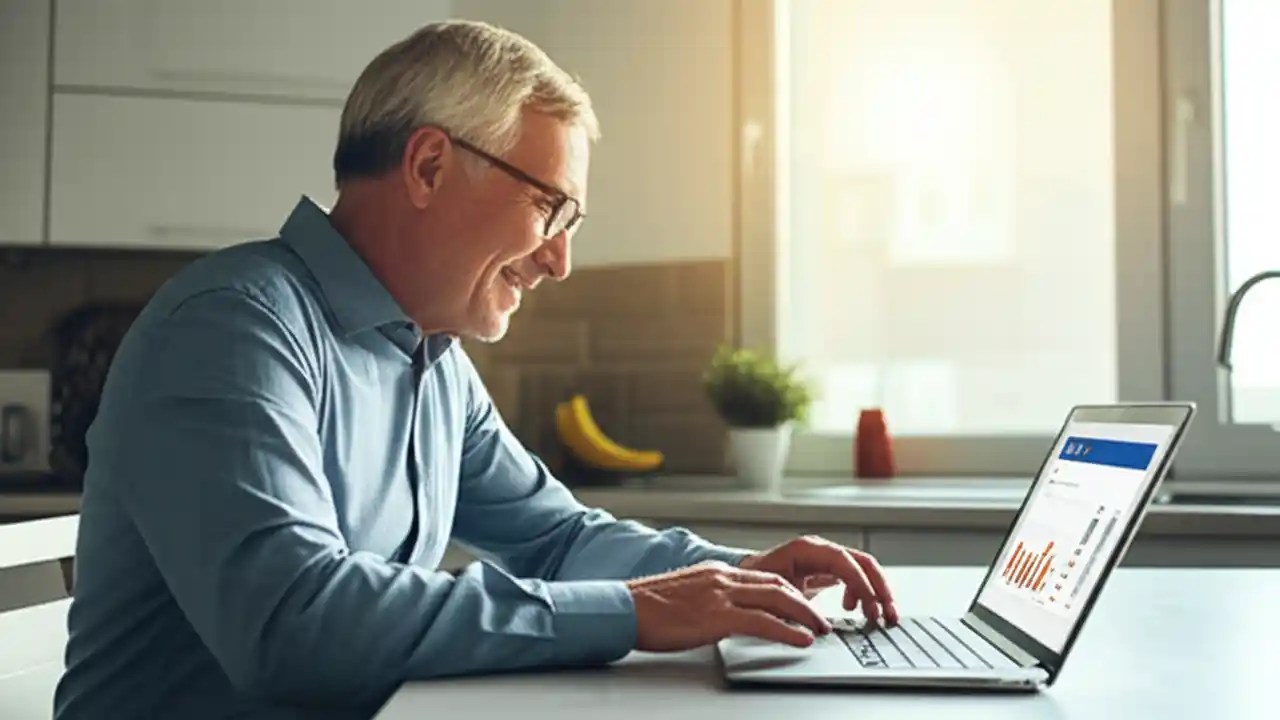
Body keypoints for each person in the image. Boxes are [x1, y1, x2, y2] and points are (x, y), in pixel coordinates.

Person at [53, 19, 897, 719]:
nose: (561, 260)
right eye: (549, 207)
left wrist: (735, 577)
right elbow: (293, 626)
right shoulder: (236, 326)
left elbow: (557, 540)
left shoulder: (430, 357)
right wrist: (639, 611)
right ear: (428, 166)